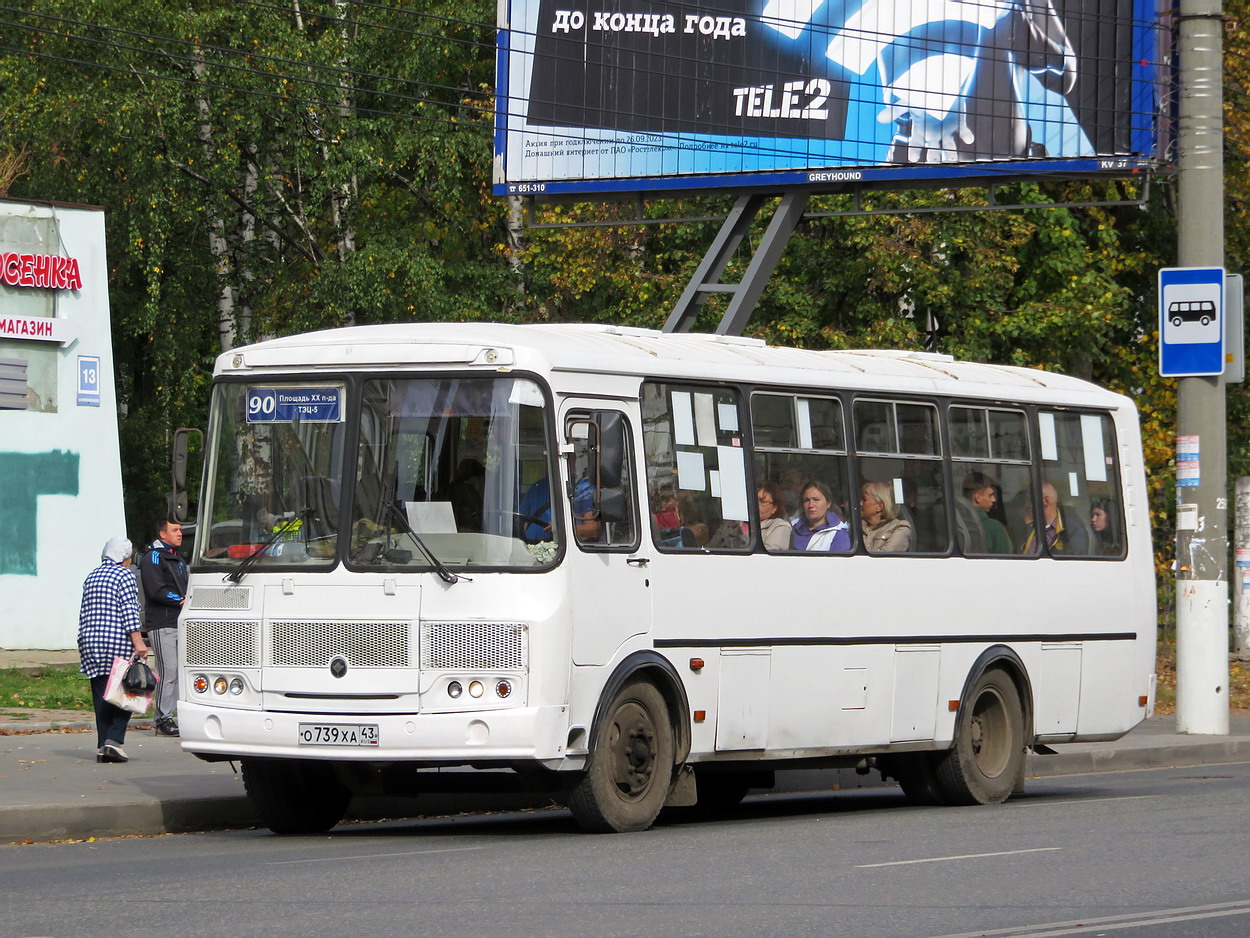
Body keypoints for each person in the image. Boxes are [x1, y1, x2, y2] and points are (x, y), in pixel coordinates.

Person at [78, 537, 148, 763]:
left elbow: (84, 611)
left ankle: (103, 745)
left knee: (102, 695)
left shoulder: (92, 576)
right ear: (125, 558)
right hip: (115, 642)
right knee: (129, 690)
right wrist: (138, 641)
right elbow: (129, 610)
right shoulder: (124, 575)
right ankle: (114, 741)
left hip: (90, 642)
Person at [139, 517, 187, 737]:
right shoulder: (154, 557)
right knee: (168, 671)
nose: (180, 533)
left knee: (178, 671)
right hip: (162, 623)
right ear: (162, 534)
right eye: (174, 530)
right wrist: (181, 600)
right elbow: (155, 590)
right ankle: (162, 718)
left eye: (180, 530)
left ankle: (173, 715)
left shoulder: (177, 558)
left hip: (179, 621)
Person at [1022, 481, 1089, 555]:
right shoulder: (1030, 529)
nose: (1026, 506)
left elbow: (1073, 563)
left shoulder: (1073, 531)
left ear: (1045, 501)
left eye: (1030, 501)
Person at [792, 480, 852, 551]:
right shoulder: (792, 527)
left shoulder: (838, 534)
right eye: (806, 500)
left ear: (828, 503)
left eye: (816, 500)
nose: (811, 505)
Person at [962, 471, 1012, 554]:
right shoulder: (994, 527)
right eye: (990, 495)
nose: (994, 500)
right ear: (977, 497)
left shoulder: (957, 522)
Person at [859, 481, 913, 553]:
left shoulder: (900, 528)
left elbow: (884, 556)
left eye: (865, 499)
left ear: (879, 506)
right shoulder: (856, 527)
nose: (860, 503)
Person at [757, 480, 792, 551]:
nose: (757, 504)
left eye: (762, 502)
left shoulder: (781, 526)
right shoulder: (738, 522)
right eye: (755, 500)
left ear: (774, 508)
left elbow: (768, 555)